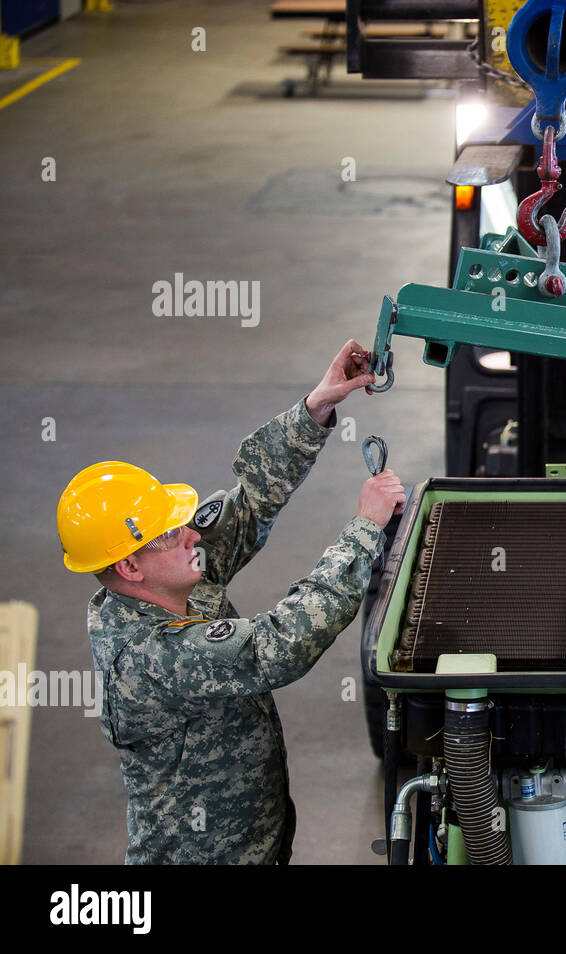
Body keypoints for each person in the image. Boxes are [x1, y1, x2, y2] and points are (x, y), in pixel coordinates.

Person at [56, 340, 406, 864]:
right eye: (170, 535)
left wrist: (316, 408)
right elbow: (281, 643)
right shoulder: (150, 660)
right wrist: (364, 530)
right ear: (129, 567)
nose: (190, 536)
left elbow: (247, 504)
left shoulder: (170, 579)